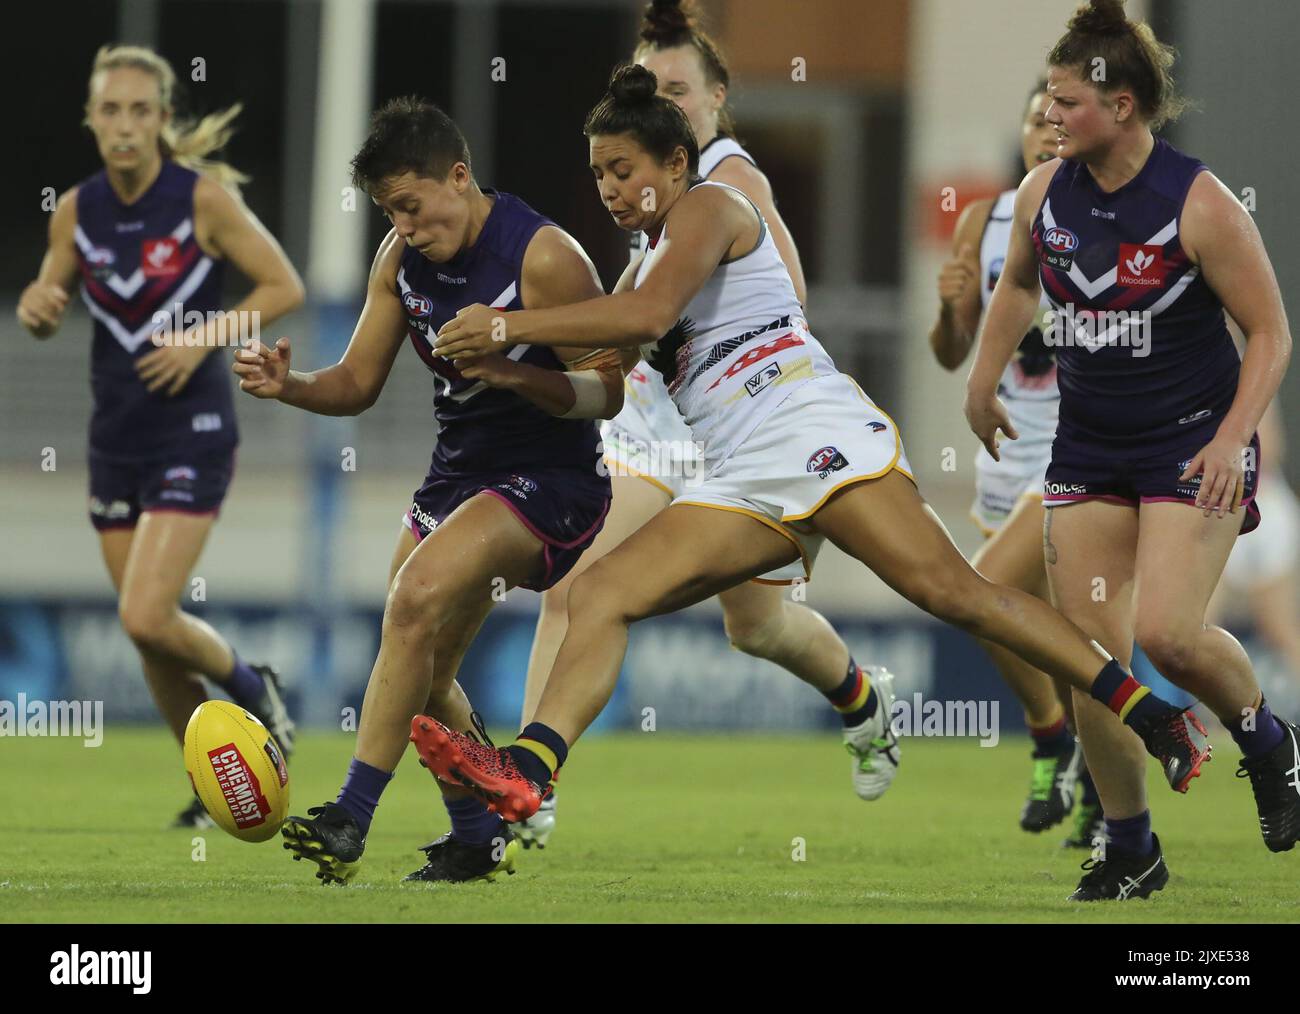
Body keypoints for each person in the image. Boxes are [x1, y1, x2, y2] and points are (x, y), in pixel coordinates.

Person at [411, 64, 1208, 851]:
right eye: (598, 175)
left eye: (624, 170)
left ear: (676, 163)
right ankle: (530, 768)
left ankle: (1152, 712)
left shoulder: (713, 206)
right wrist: (510, 371)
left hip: (808, 425)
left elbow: (649, 314)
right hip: (740, 468)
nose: (611, 190)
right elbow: (606, 394)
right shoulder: (638, 264)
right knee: (603, 594)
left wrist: (511, 326)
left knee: (956, 593)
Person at [514, 0, 897, 852]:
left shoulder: (729, 178)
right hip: (657, 429)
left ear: (717, 98)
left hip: (743, 427)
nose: (667, 100)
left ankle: (861, 699)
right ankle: (528, 791)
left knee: (753, 626)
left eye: (680, 88)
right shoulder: (646, 184)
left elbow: (785, 297)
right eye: (650, 86)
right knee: (571, 585)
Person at [234, 97, 626, 885]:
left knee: (411, 602)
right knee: (420, 663)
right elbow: (355, 383)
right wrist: (291, 385)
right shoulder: (398, 259)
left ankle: (350, 813)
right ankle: (478, 836)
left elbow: (609, 392)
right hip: (459, 477)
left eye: (411, 206)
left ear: (459, 175)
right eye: (389, 211)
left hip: (552, 483)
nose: (405, 226)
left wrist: (511, 360)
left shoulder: (543, 257)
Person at [963, 0, 1297, 900]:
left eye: (1068, 103)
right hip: (1090, 446)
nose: (1050, 116)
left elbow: (1270, 333)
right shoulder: (1044, 194)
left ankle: (1267, 741)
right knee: (1089, 653)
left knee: (1168, 637)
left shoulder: (1200, 203)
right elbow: (1019, 286)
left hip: (1192, 446)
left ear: (1124, 106)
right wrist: (980, 379)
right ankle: (1130, 847)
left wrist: (1234, 439)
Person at [16, 45, 303, 828]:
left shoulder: (201, 201)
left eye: (141, 111)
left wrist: (203, 336)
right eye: (110, 110)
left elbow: (284, 286)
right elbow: (48, 290)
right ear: (92, 119)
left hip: (195, 431)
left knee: (144, 614)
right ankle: (218, 789)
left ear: (163, 121)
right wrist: (37, 306)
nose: (125, 126)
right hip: (115, 439)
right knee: (152, 639)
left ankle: (255, 689)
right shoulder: (75, 210)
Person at [930, 80, 1099, 844]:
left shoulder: (1105, 217)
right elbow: (951, 354)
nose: (1046, 131)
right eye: (1034, 119)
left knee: (983, 592)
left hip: (1080, 449)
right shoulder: (986, 221)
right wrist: (948, 304)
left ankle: (1052, 737)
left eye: (1058, 119)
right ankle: (1092, 775)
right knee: (1041, 627)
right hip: (1005, 453)